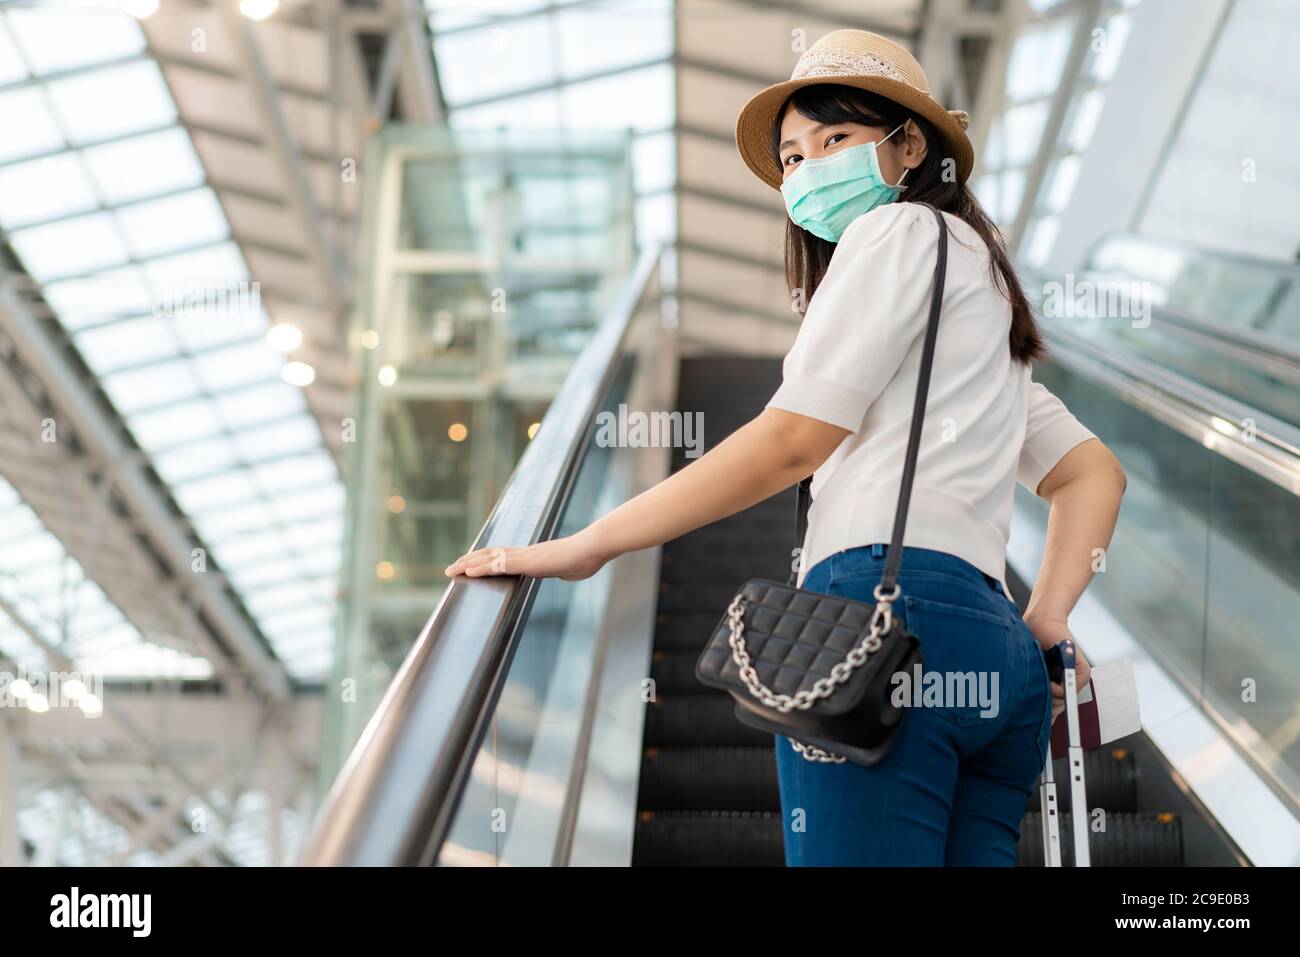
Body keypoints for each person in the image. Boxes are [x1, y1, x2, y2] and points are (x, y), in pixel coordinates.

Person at [445, 29, 1126, 866]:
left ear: (909, 144)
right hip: (996, 651)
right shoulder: (981, 294)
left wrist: (590, 543)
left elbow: (794, 439)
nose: (809, 171)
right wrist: (1046, 618)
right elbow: (1091, 471)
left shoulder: (895, 235)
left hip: (880, 617)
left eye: (836, 139)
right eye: (793, 157)